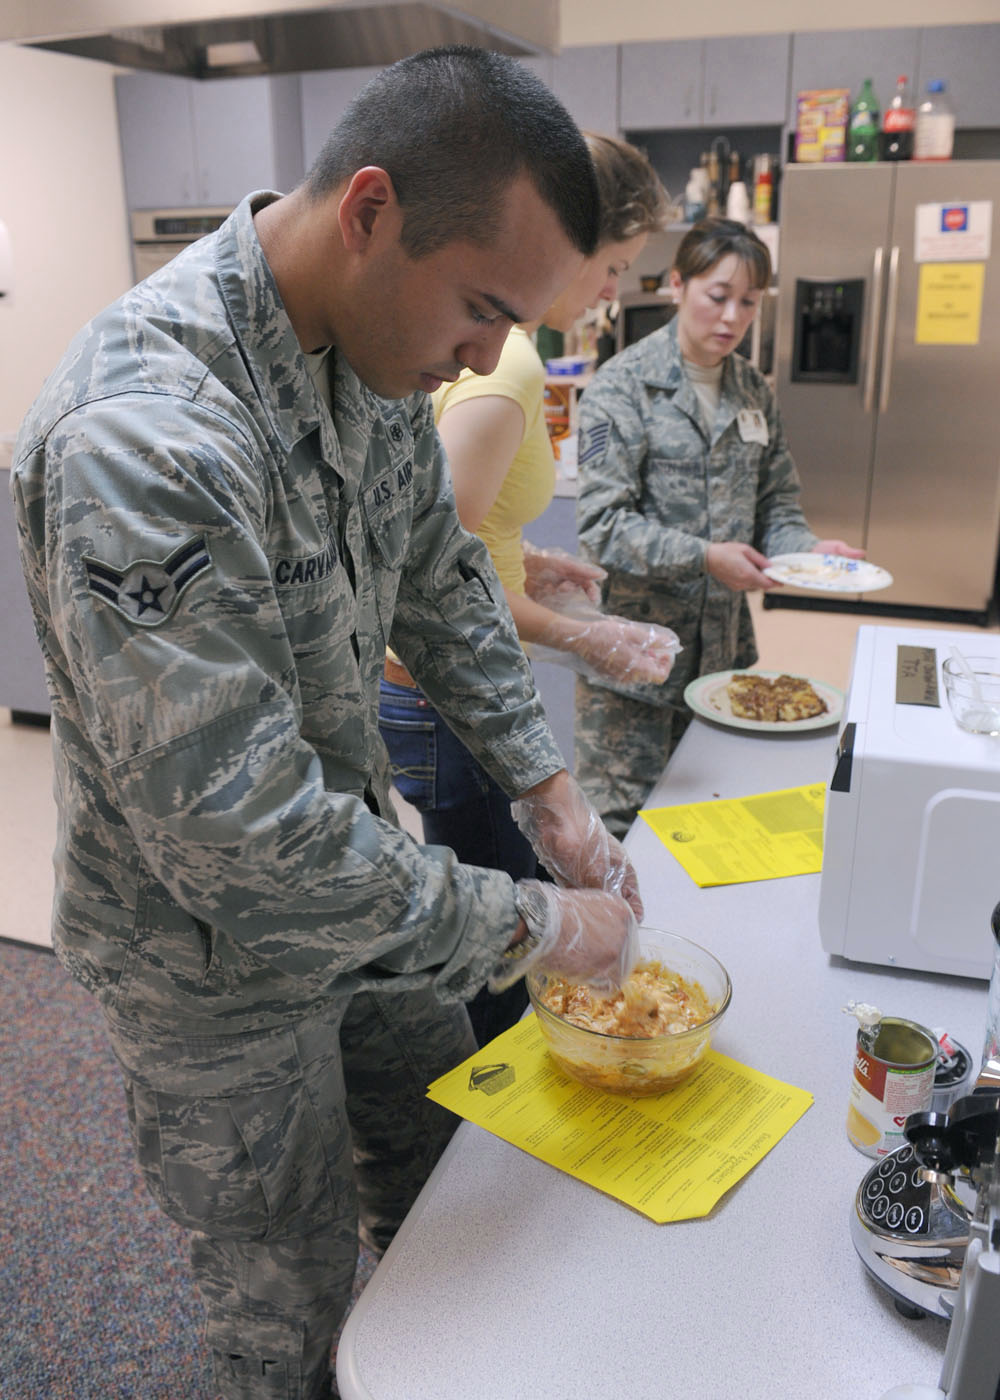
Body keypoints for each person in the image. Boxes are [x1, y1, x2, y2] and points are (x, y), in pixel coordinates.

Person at [9, 48, 644, 1400]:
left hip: (358, 879)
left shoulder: (373, 353)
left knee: (444, 1172)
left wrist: (546, 786)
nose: (488, 359)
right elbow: (249, 853)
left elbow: (436, 569)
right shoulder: (150, 437)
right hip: (209, 966)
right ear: (369, 210)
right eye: (480, 308)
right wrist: (539, 924)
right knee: (283, 1301)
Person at [379, 132, 677, 1046]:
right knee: (500, 955)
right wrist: (581, 635)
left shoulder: (502, 362)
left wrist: (529, 565)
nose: (610, 293)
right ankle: (501, 1116)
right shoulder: (506, 368)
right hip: (440, 695)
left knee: (501, 898)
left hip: (455, 686)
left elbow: (450, 529)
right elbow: (434, 582)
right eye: (614, 267)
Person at [574, 216, 864, 837]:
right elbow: (603, 527)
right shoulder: (622, 389)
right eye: (717, 296)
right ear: (678, 285)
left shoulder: (753, 392)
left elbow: (776, 504)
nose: (732, 317)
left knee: (709, 819)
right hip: (638, 665)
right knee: (622, 831)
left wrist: (809, 550)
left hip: (724, 660)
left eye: (749, 303)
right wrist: (705, 557)